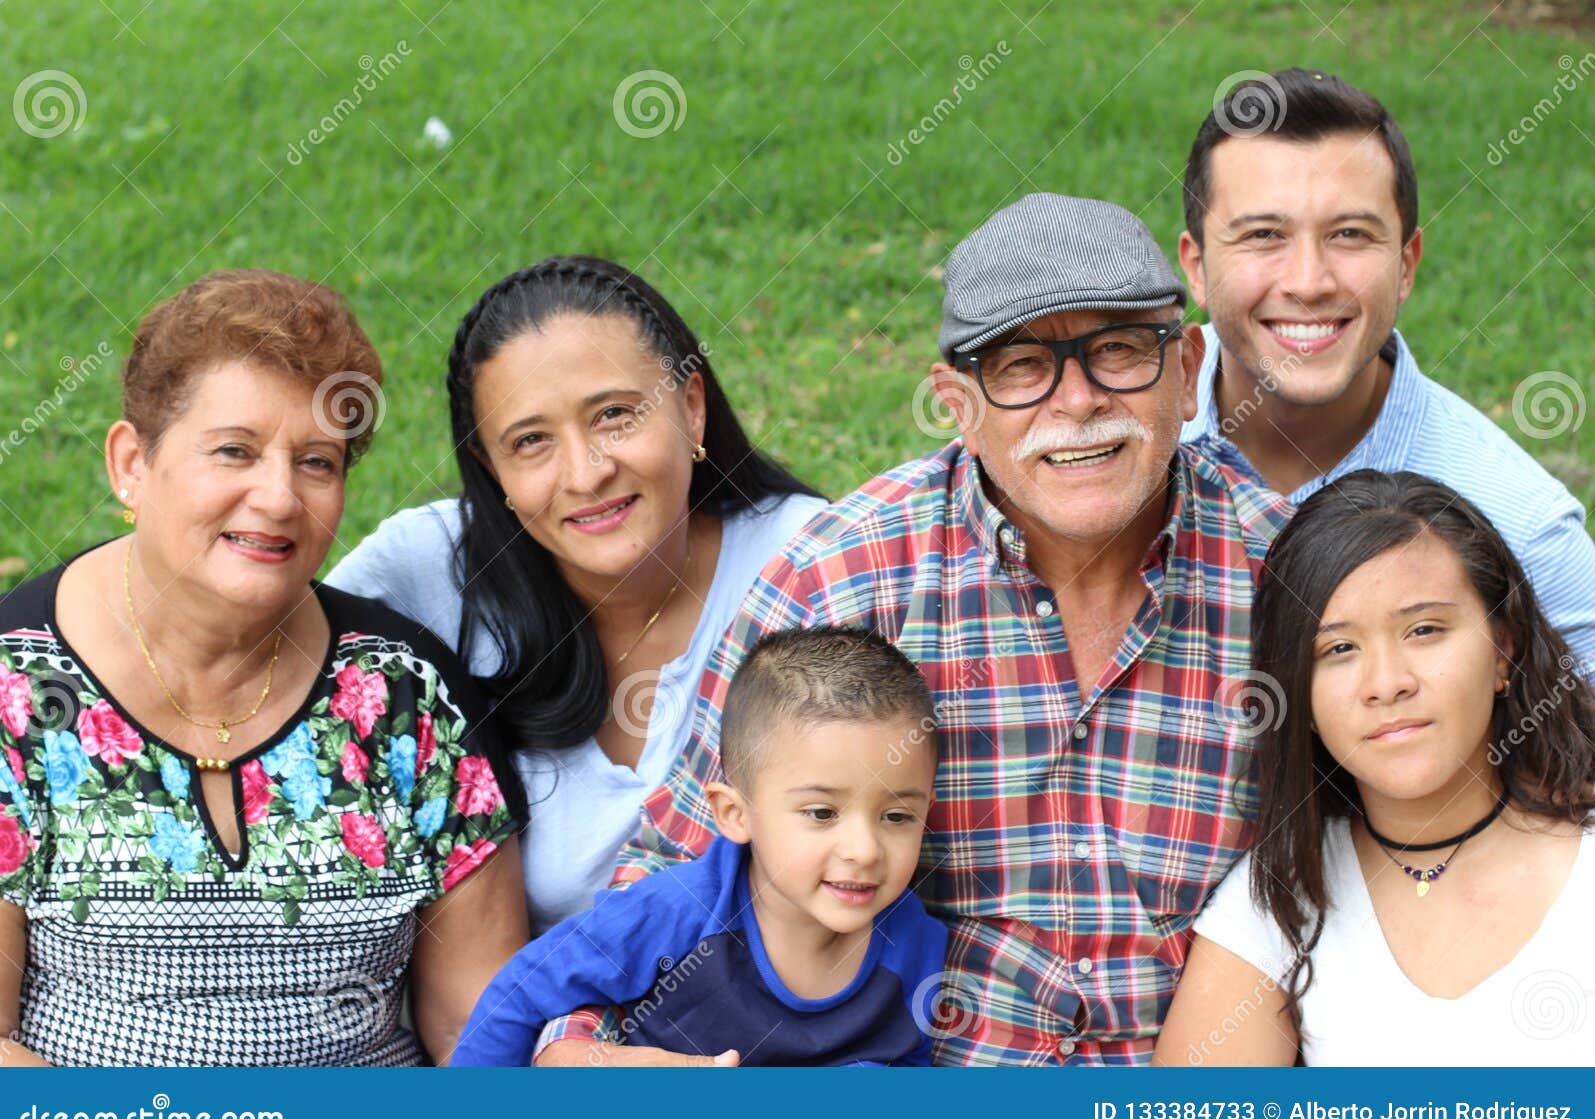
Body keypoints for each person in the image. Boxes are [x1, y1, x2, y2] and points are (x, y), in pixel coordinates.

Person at [538, 194, 1296, 1067]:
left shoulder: (1290, 577)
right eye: (1020, 365)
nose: (1079, 400)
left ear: (1190, 364)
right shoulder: (845, 576)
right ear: (956, 401)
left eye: (1119, 350)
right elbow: (679, 857)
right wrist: (583, 1046)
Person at [0, 270, 528, 1067]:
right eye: (234, 451)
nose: (279, 497)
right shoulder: (15, 694)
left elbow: (479, 1036)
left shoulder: (408, 699)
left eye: (316, 462)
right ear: (131, 464)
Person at [325, 257, 825, 936]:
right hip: (523, 1029)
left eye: (615, 414)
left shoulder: (806, 564)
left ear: (692, 407)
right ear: (489, 468)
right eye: (530, 441)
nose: (587, 472)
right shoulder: (427, 571)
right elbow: (238, 644)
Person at [1156, 470, 1595, 1065]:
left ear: (1503, 651)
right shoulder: (1279, 900)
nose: (1387, 684)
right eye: (1338, 649)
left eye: (1424, 630)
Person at [1176, 67, 1595, 679]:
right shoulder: (1112, 440)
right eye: (1264, 235)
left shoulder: (1522, 529)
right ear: (1196, 266)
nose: (1309, 282)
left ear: (1406, 264)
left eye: (1349, 234)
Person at [451, 627, 948, 1067]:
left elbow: (904, 1055)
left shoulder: (913, 944)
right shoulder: (672, 914)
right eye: (821, 813)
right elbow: (523, 991)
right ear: (735, 814)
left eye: (897, 816)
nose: (864, 850)